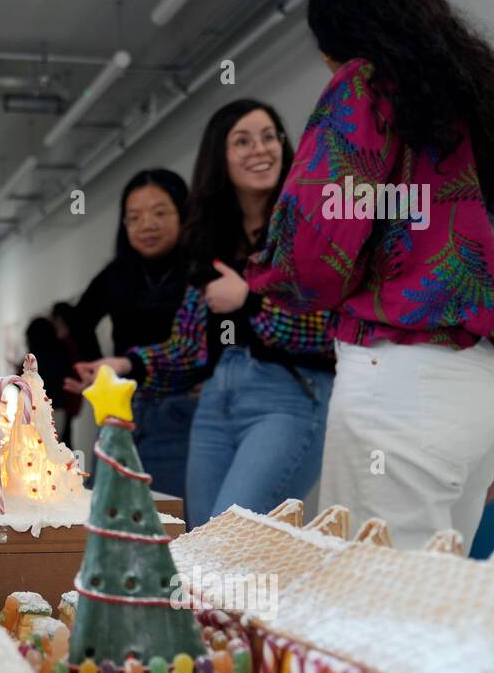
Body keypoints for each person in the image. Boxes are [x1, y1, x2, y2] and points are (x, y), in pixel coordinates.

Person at [246, 0, 494, 552]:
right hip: (484, 389)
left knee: (374, 612)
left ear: (338, 38)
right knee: (431, 608)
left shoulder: (366, 84)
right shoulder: (482, 108)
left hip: (401, 385)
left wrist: (264, 277)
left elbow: (315, 247)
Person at [70, 102, 335, 524]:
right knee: (200, 541)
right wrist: (128, 363)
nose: (260, 149)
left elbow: (329, 329)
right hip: (216, 398)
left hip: (287, 394)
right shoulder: (211, 240)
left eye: (269, 137)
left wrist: (248, 300)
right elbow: (190, 346)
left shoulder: (308, 224)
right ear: (221, 156)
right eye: (242, 141)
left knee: (232, 538)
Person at [62, 169, 195, 498]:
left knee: (169, 516)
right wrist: (97, 370)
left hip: (182, 408)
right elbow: (79, 319)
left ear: (185, 213)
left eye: (160, 212)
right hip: (124, 402)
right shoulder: (117, 274)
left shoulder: (199, 269)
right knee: (108, 511)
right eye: (133, 217)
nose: (147, 225)